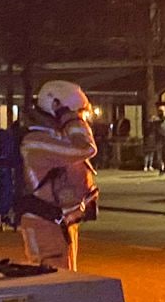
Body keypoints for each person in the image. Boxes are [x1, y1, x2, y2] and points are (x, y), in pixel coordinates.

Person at [16, 80, 101, 272]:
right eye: (78, 113)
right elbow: (86, 148)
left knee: (65, 280)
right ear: (57, 107)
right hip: (44, 225)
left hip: (60, 223)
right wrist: (70, 119)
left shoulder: (53, 137)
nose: (82, 119)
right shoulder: (36, 141)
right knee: (52, 283)